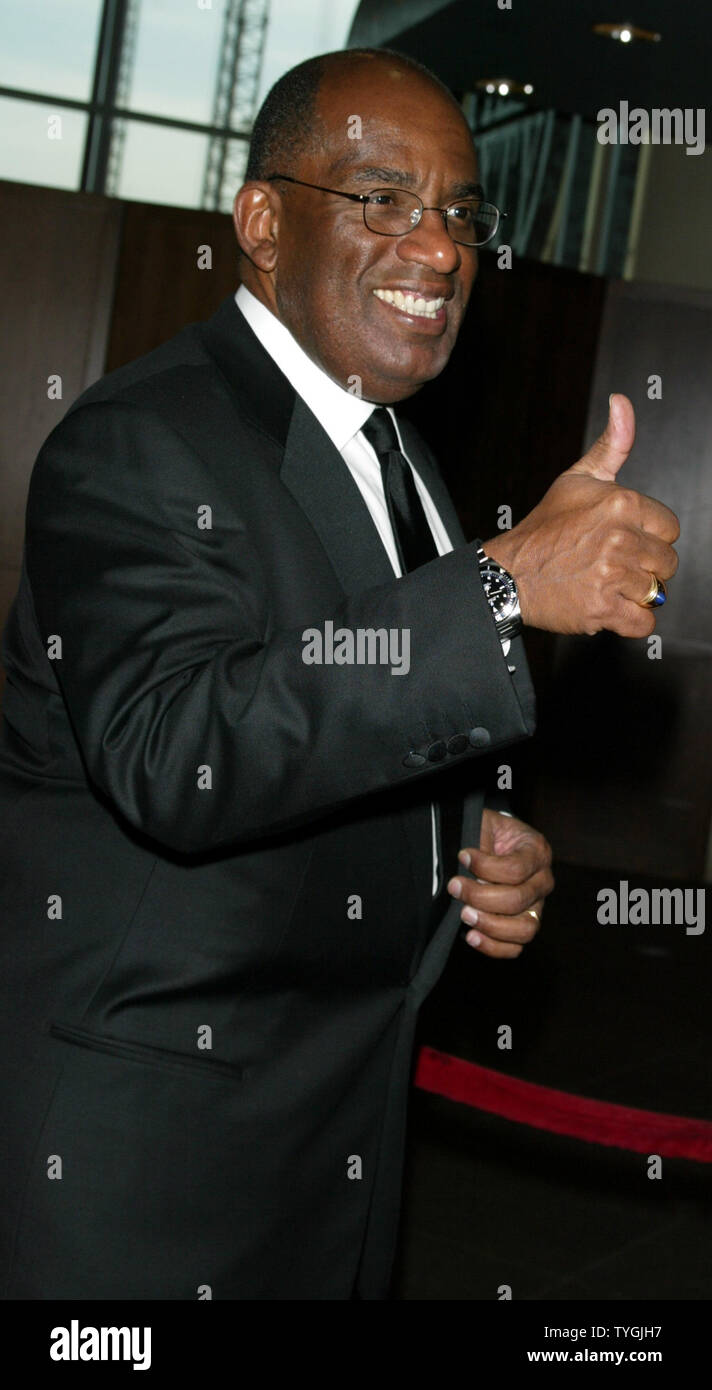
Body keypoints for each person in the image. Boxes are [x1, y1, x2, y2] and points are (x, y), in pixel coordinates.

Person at [0, 48, 679, 1301]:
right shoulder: (138, 440)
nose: (437, 250)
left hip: (335, 1144)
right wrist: (500, 585)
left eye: (462, 214)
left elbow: (352, 707)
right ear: (262, 222)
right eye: (382, 199)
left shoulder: (397, 453)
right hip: (146, 1166)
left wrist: (470, 848)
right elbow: (175, 752)